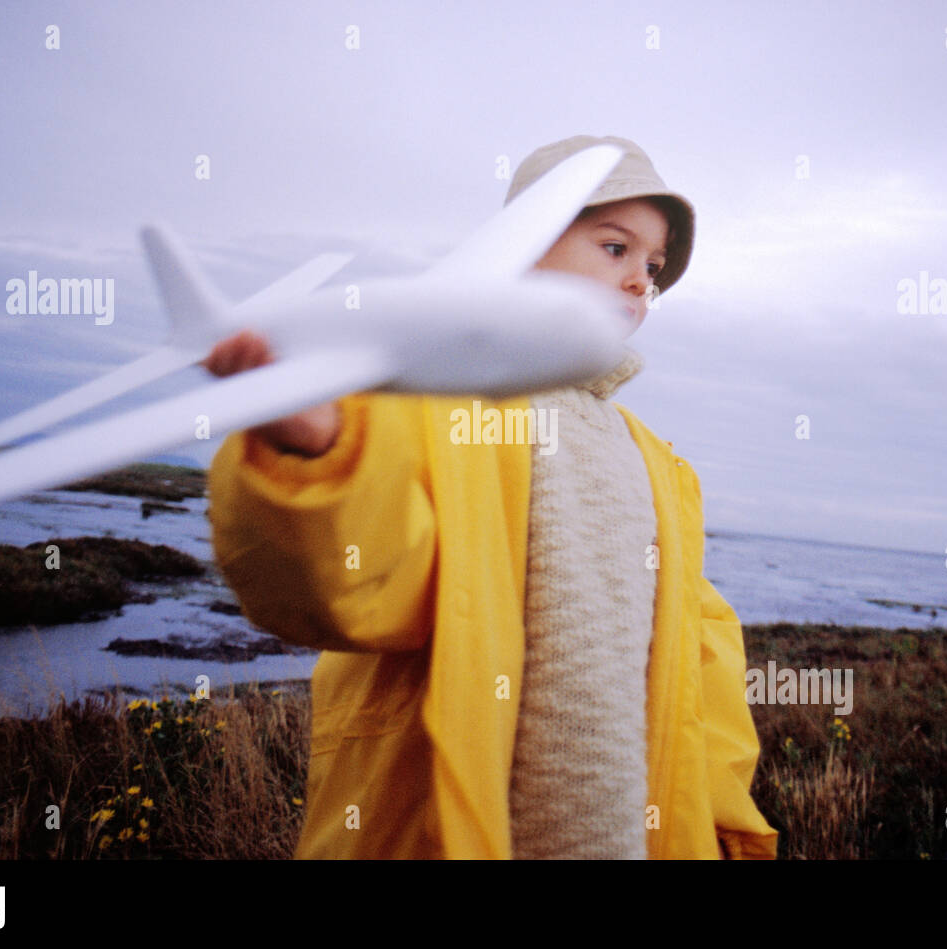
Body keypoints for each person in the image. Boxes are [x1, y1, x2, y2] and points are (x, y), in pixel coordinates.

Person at [203, 134, 778, 859]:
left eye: (653, 266)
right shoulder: (436, 405)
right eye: (614, 247)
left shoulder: (659, 467)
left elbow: (702, 668)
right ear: (528, 244)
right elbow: (359, 583)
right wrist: (318, 456)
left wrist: (727, 827)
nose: (640, 279)